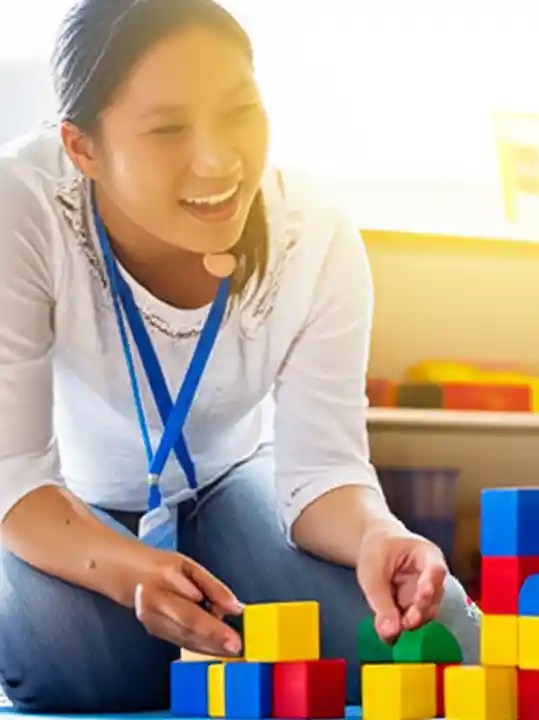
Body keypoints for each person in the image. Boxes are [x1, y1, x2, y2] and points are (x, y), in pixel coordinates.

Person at [0, 0, 479, 712]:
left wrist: (380, 533)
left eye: (239, 112)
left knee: (436, 640)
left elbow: (321, 472)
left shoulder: (313, 231)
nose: (219, 161)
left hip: (229, 482)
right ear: (83, 149)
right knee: (76, 662)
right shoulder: (22, 206)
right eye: (167, 129)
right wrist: (129, 573)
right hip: (66, 505)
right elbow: (14, 473)